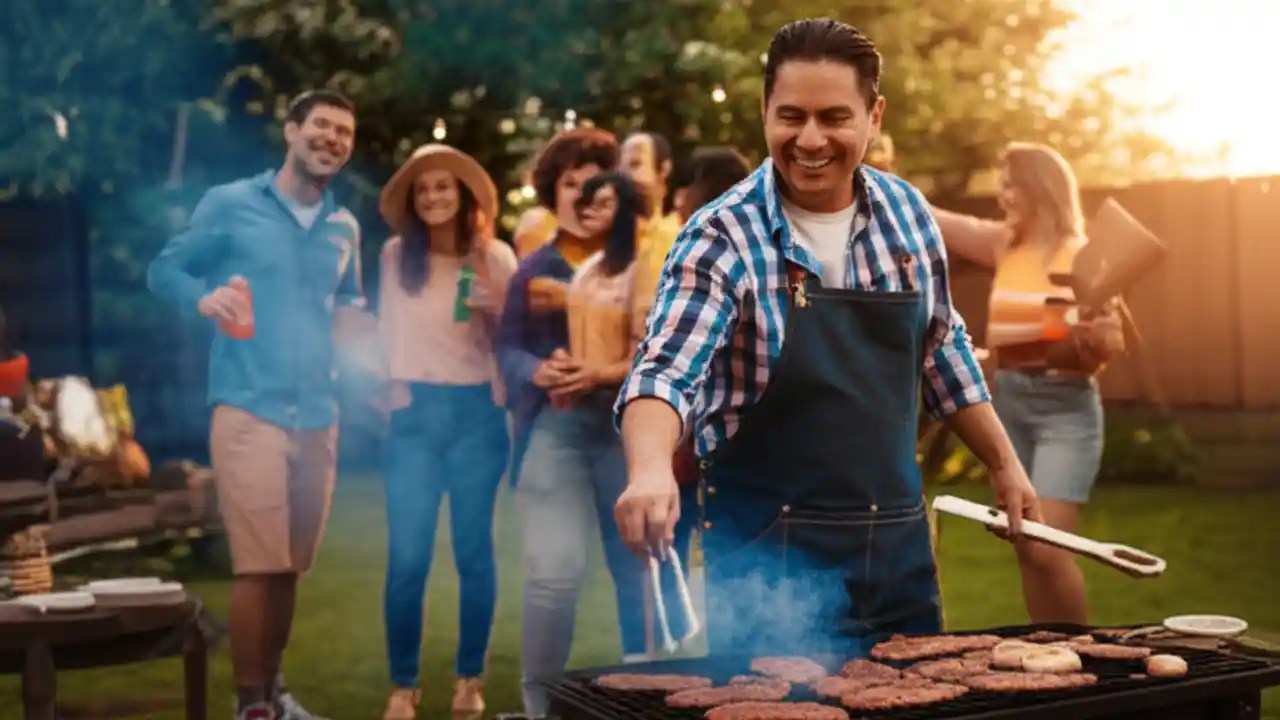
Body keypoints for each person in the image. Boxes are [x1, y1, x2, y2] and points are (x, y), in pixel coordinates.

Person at [612, 19, 1040, 659]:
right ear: (764, 112)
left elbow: (941, 350)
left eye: (834, 117)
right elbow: (665, 373)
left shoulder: (907, 216)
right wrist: (649, 470)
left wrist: (1004, 464)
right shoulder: (720, 236)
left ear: (874, 116)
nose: (810, 140)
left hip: (896, 556)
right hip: (765, 562)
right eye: (791, 116)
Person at [147, 89, 365, 720]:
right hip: (248, 406)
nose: (332, 139)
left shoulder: (344, 227)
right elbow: (165, 270)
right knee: (258, 565)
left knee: (289, 568)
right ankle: (250, 705)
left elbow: (348, 304)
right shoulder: (232, 205)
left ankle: (274, 690)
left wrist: (364, 340)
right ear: (292, 131)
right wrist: (203, 298)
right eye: (321, 126)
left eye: (343, 133)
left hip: (319, 413)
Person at [932, 142, 1125, 624]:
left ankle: (1080, 653)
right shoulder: (1005, 246)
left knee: (1047, 546)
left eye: (1009, 185)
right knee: (1026, 545)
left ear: (1039, 188)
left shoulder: (1086, 256)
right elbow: (935, 219)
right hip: (1011, 405)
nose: (1002, 196)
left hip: (1066, 412)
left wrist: (1100, 337)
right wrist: (880, 176)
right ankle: (1051, 654)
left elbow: (1113, 342)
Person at [495, 129, 647, 716]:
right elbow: (506, 347)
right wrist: (539, 369)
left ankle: (647, 697)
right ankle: (540, 709)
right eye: (569, 184)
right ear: (551, 194)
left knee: (638, 571)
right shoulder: (533, 266)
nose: (583, 196)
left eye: (595, 184)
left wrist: (605, 372)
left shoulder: (640, 264)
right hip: (554, 430)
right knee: (553, 575)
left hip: (623, 431)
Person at [374, 144, 516, 719]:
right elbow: (384, 332)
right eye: (423, 189)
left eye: (444, 187)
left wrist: (496, 308)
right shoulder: (393, 257)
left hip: (476, 413)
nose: (433, 197)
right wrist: (389, 389)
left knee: (473, 553)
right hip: (414, 413)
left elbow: (518, 341)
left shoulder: (494, 257)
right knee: (408, 558)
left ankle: (469, 681)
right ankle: (403, 686)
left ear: (464, 197)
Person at [620, 132, 684, 305]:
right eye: (620, 167)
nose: (624, 175)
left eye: (635, 164)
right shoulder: (606, 234)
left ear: (664, 169)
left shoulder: (680, 234)